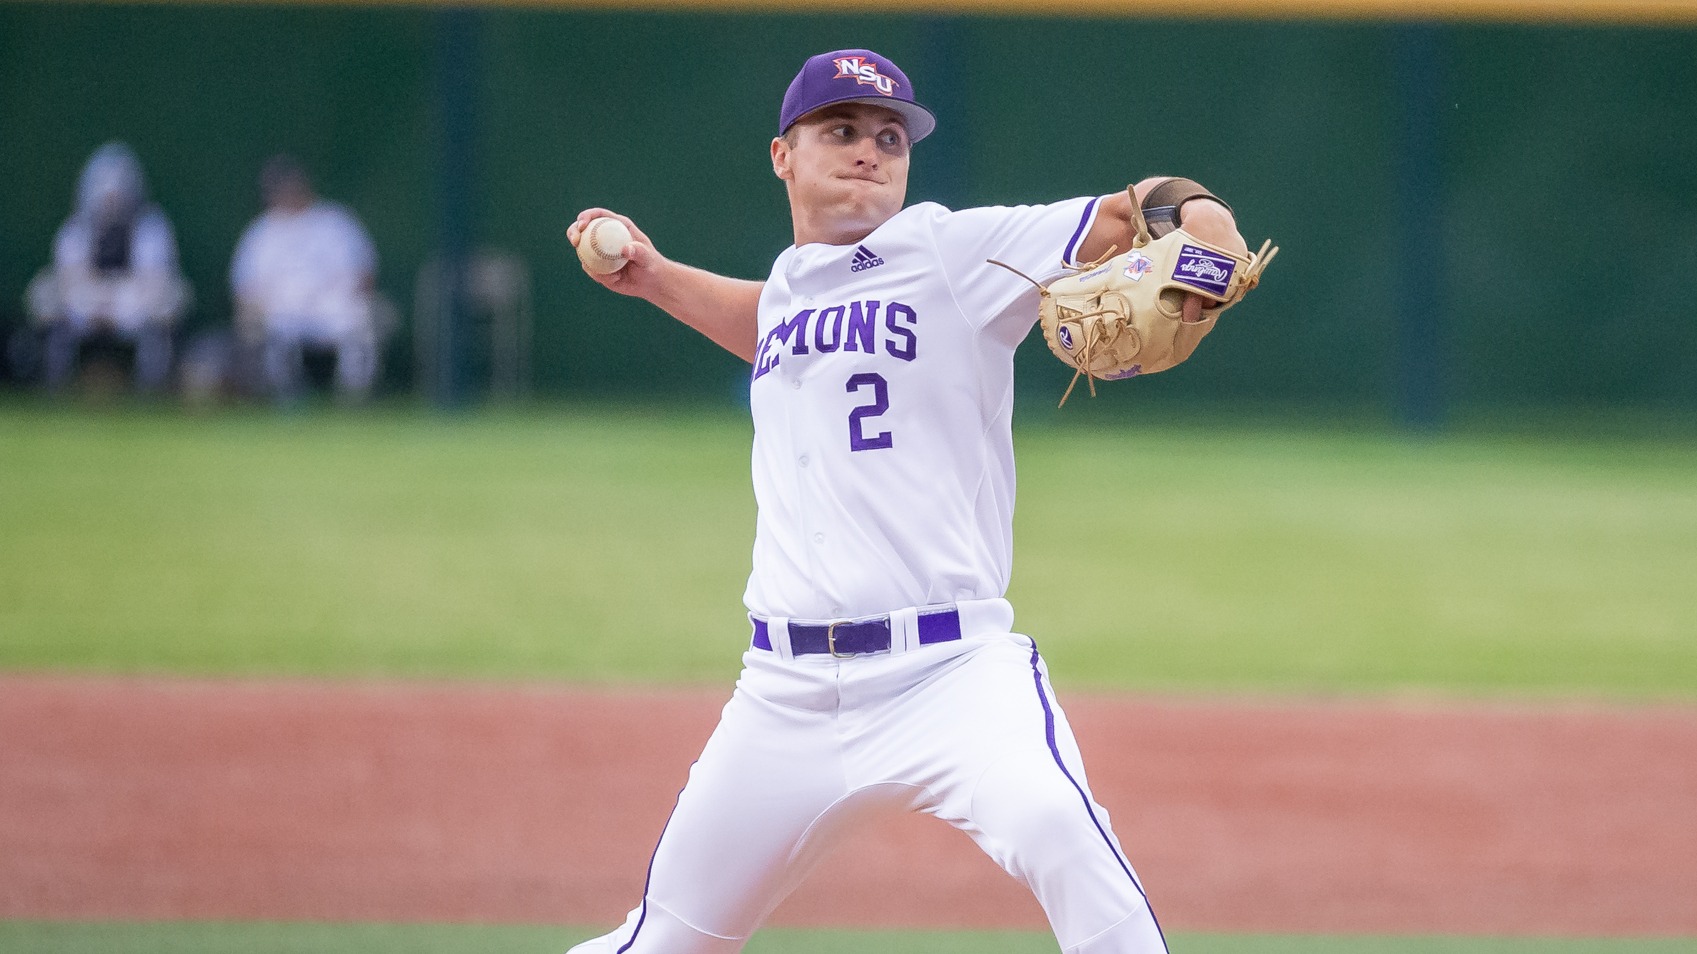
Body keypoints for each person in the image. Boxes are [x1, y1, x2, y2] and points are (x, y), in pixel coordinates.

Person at [563, 48, 1252, 954]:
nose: (867, 151)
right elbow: (773, 323)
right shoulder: (792, 289)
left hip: (949, 676)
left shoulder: (949, 249)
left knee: (1059, 832)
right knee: (663, 941)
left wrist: (1205, 222)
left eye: (889, 137)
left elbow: (1135, 208)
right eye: (840, 130)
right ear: (783, 155)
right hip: (785, 693)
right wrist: (652, 276)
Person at [26, 142, 190, 393]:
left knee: (171, 299)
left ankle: (153, 387)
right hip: (87, 300)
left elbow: (154, 279)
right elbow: (69, 277)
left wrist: (118, 302)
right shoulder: (77, 228)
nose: (111, 203)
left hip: (133, 301)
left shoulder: (150, 227)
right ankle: (55, 383)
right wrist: (97, 301)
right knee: (44, 295)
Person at [229, 155, 380, 404]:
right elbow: (244, 288)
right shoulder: (261, 231)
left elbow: (364, 274)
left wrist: (343, 296)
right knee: (266, 326)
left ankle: (355, 395)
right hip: (282, 307)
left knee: (360, 318)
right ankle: (284, 396)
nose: (288, 193)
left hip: (330, 304)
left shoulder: (334, 221)